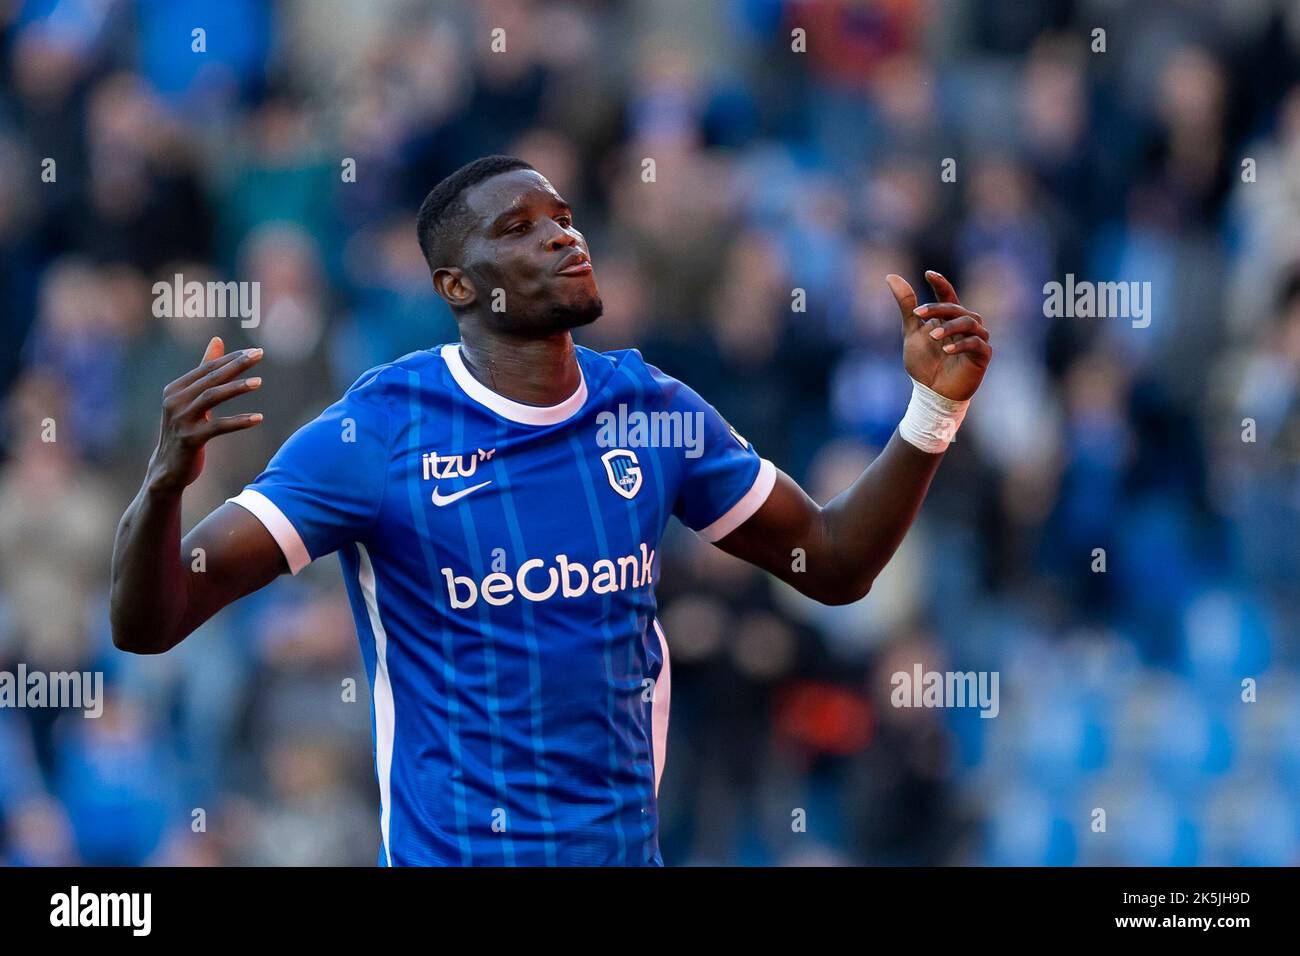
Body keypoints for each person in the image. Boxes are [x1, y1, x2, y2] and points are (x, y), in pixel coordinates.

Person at [109, 155, 992, 865]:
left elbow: (832, 563)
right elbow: (153, 621)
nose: (565, 237)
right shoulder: (375, 435)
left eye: (565, 217)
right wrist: (162, 491)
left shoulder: (654, 411)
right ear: (459, 287)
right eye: (521, 229)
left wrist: (933, 413)